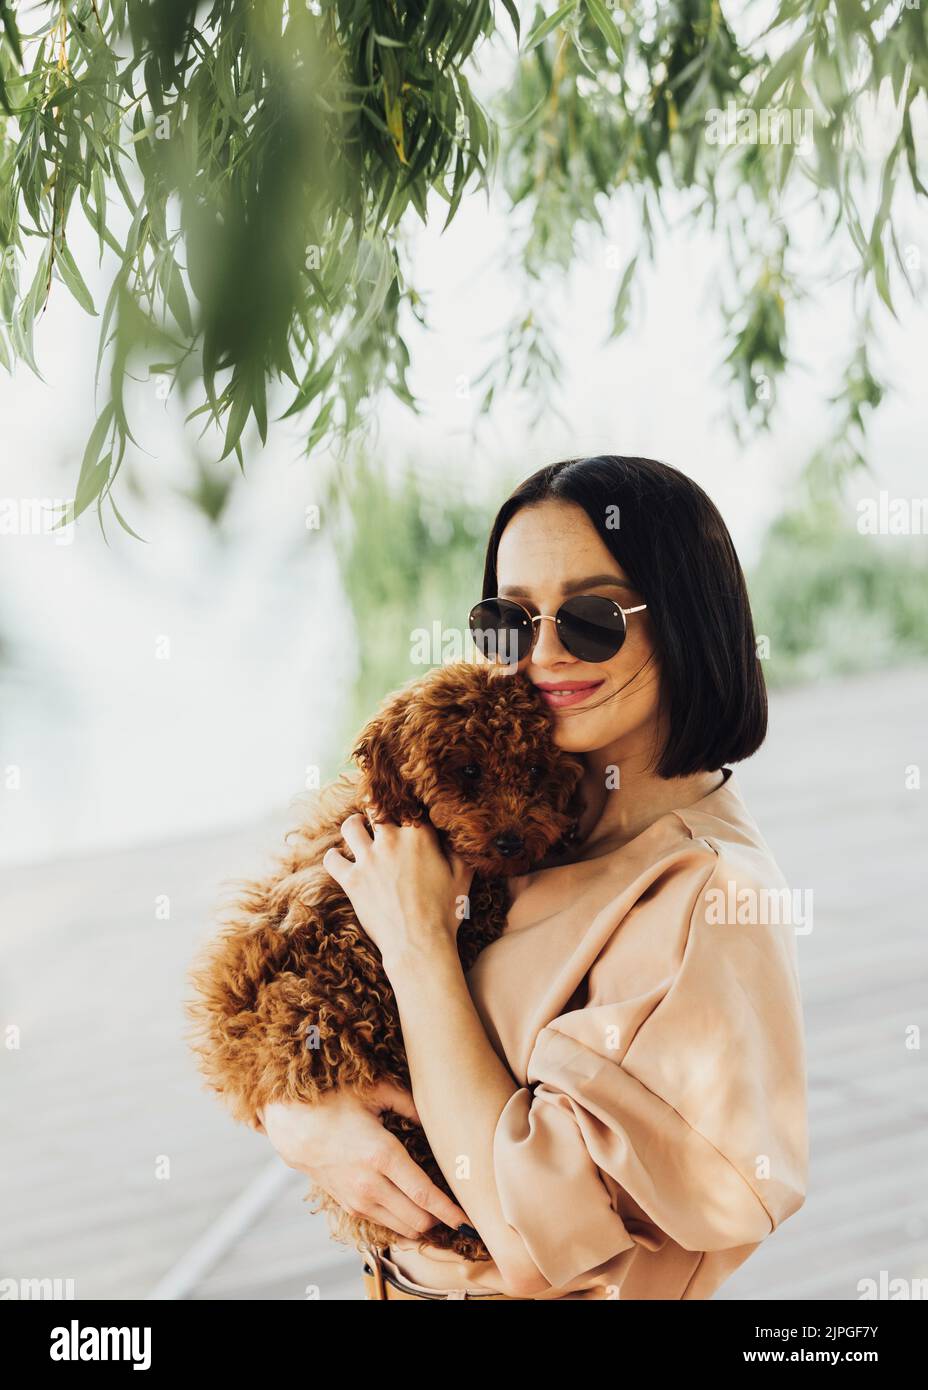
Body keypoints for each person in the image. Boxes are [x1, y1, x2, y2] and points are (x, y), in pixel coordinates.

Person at [257, 454, 809, 1301]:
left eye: (591, 618)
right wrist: (299, 1114)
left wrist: (418, 947)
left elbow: (527, 1240)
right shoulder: (516, 824)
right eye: (510, 620)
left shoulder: (704, 898)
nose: (544, 652)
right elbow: (295, 987)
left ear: (688, 621)